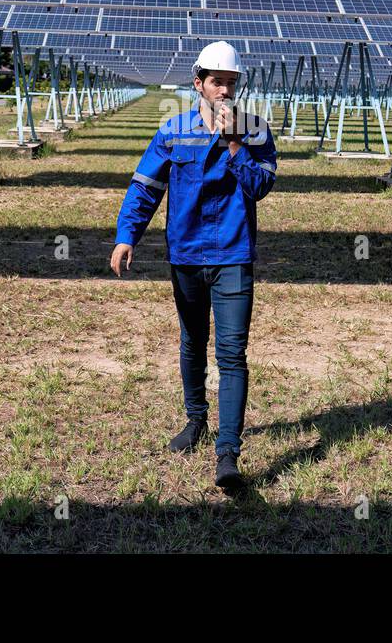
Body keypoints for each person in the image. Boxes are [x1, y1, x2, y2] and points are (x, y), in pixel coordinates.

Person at [110, 41, 278, 491]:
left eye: (231, 83)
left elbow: (261, 186)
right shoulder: (172, 132)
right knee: (192, 341)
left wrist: (234, 144)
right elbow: (145, 188)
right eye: (216, 81)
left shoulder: (256, 132)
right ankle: (195, 421)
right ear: (198, 83)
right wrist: (127, 236)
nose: (224, 90)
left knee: (232, 353)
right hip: (184, 253)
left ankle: (228, 453)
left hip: (233, 254)